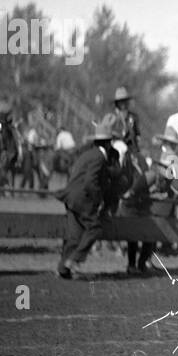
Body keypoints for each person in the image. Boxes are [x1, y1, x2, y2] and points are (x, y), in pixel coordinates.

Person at [55, 116, 127, 279]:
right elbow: (90, 182)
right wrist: (98, 200)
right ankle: (74, 260)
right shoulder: (100, 157)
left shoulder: (87, 154)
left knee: (74, 236)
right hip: (82, 198)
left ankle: (62, 269)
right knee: (94, 228)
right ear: (108, 142)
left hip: (70, 198)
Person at [110, 87, 142, 152]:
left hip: (131, 149)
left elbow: (137, 136)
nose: (123, 104)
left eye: (124, 101)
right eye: (120, 102)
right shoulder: (112, 118)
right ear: (117, 103)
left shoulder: (133, 117)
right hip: (116, 149)